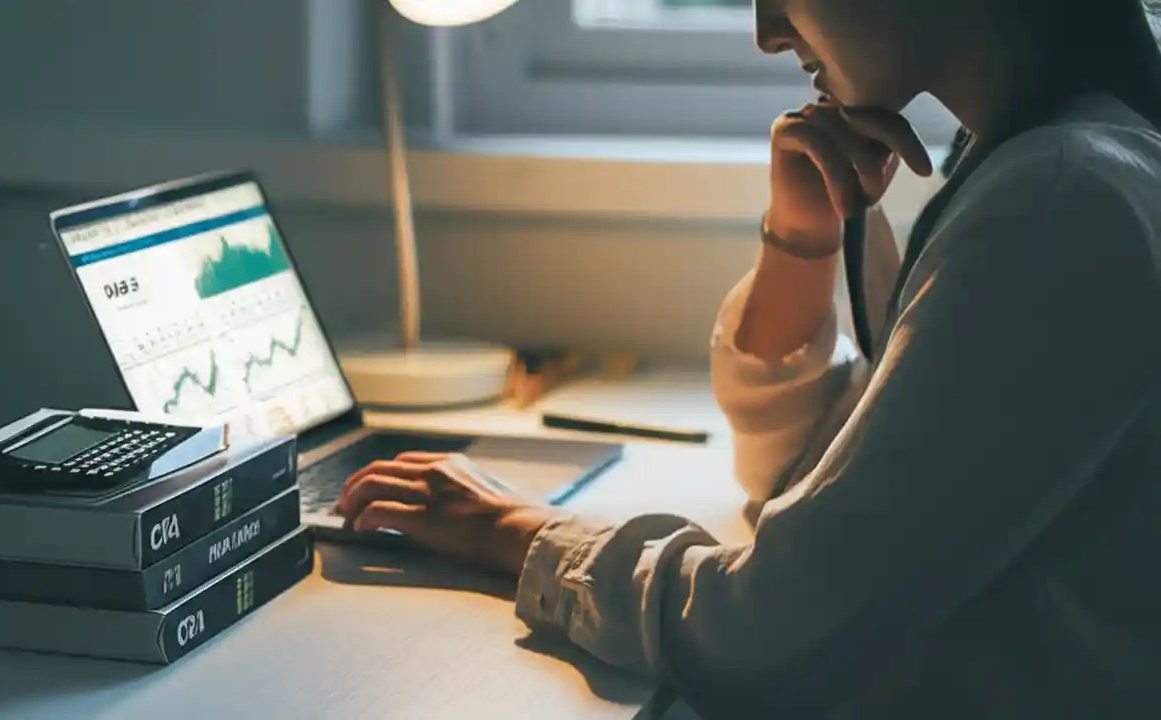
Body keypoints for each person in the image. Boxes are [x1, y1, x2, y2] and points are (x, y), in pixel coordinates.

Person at [337, 0, 1161, 715]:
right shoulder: (1057, 156)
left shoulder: (1061, 196)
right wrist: (803, 237)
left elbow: (768, 635)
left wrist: (519, 531)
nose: (767, 32)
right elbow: (817, 485)